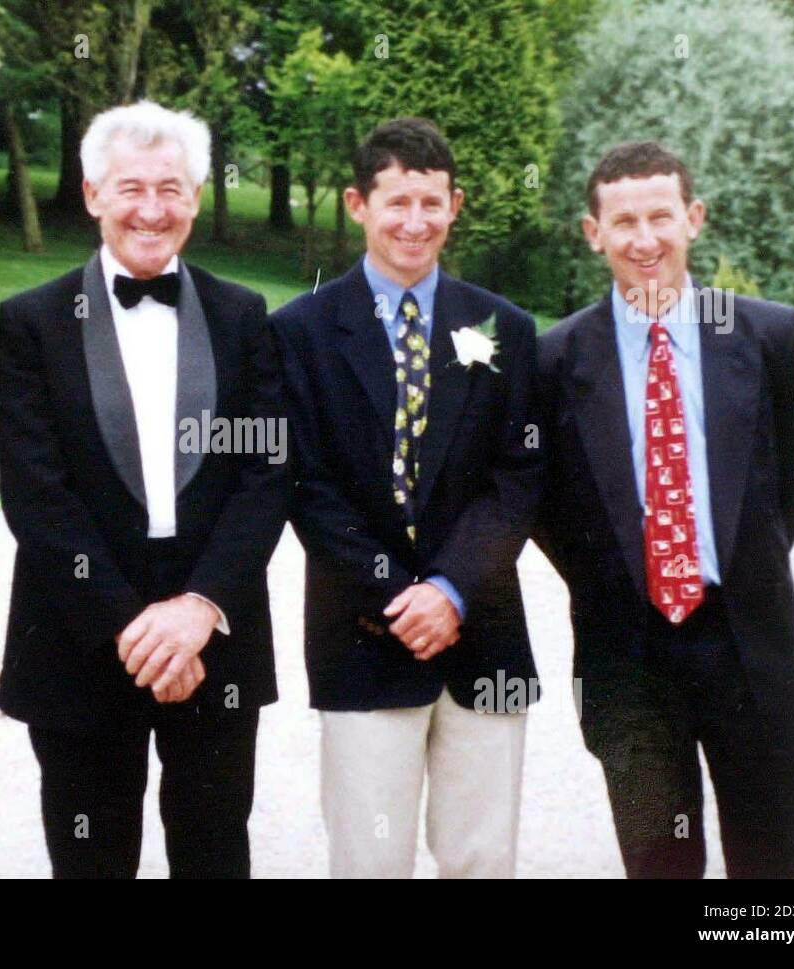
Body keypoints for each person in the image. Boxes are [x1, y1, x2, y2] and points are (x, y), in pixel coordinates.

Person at [0, 100, 290, 878]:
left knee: (215, 852)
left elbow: (265, 474)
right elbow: (35, 493)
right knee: (90, 857)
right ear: (93, 194)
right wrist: (133, 628)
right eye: (130, 188)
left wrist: (197, 610)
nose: (152, 210)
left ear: (194, 195)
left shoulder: (242, 314)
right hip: (81, 631)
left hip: (213, 632)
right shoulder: (32, 321)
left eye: (171, 188)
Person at [533, 141, 794, 878]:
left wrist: (735, 558)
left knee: (776, 870)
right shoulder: (556, 359)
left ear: (693, 218)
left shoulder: (768, 336)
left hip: (748, 644)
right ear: (593, 232)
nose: (645, 239)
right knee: (659, 862)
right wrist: (625, 572)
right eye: (623, 221)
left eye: (661, 215)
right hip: (626, 658)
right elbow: (551, 508)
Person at [269, 118, 545, 878]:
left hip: (484, 627)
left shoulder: (504, 327)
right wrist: (402, 594)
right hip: (362, 632)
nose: (414, 222)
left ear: (455, 204)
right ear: (359, 204)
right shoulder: (299, 332)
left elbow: (517, 476)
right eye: (396, 203)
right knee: (369, 856)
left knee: (483, 856)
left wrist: (451, 589)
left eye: (431, 203)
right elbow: (304, 482)